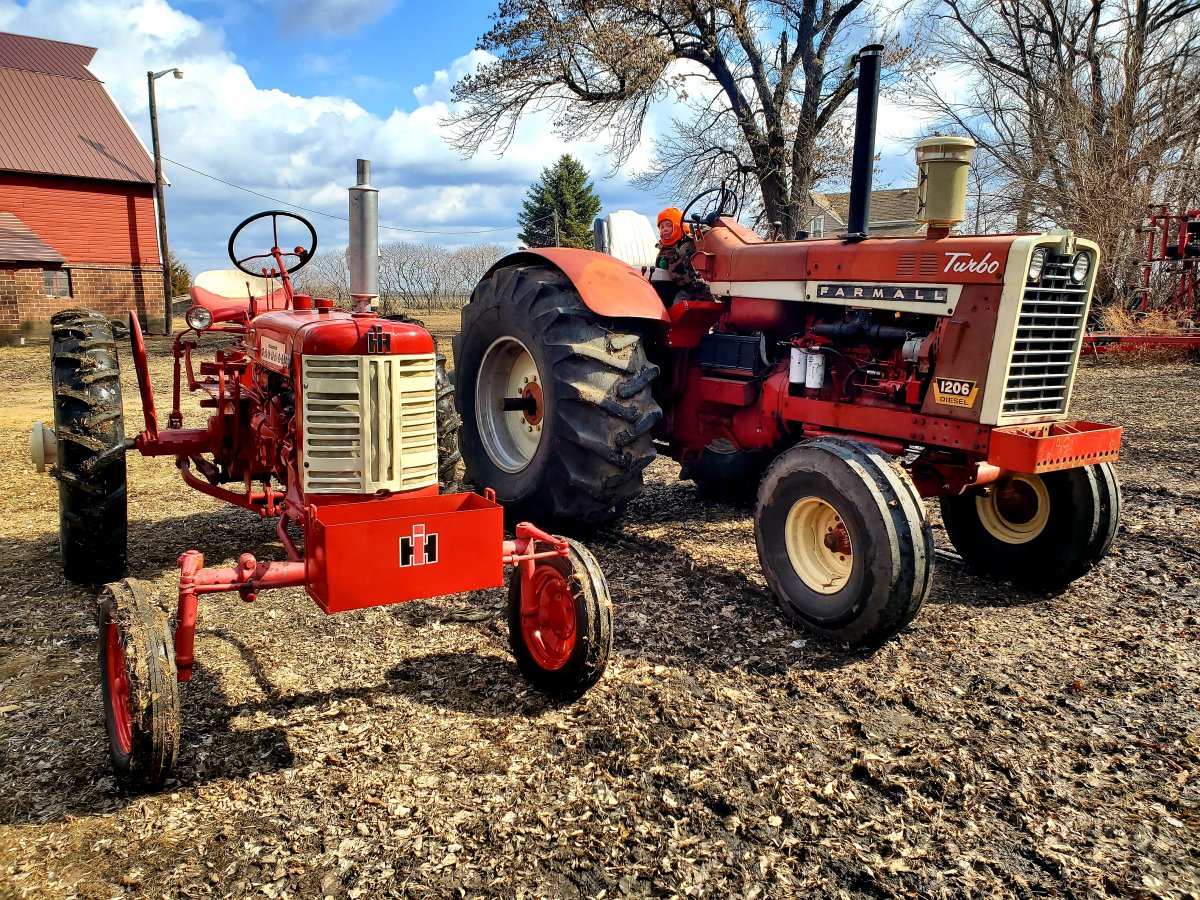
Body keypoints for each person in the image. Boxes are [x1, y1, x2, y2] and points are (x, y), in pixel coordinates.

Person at [656, 207, 710, 300]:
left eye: (669, 225)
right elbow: (659, 263)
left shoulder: (690, 240)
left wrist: (708, 225)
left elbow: (704, 231)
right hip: (684, 289)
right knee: (678, 306)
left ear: (677, 224)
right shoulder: (664, 250)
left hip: (702, 285)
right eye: (662, 227)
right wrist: (660, 263)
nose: (665, 229)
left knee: (715, 304)